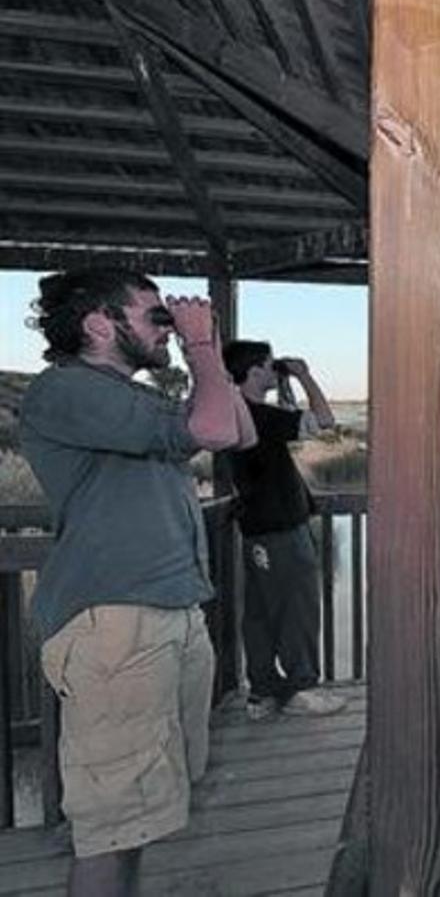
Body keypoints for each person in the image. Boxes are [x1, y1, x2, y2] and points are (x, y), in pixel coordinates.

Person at [19, 268, 257, 897]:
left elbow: (238, 431)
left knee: (139, 818)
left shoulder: (135, 397)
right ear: (100, 324)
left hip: (166, 612)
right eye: (154, 315)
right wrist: (200, 347)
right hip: (114, 625)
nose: (166, 327)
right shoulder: (67, 390)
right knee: (110, 825)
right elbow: (207, 431)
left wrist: (210, 357)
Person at [222, 340, 347, 719]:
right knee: (297, 609)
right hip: (281, 531)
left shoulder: (238, 414)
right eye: (267, 364)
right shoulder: (260, 416)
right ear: (255, 371)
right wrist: (304, 374)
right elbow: (324, 422)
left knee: (259, 614)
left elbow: (290, 418)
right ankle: (301, 689)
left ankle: (262, 693)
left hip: (257, 530)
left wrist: (286, 381)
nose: (274, 369)